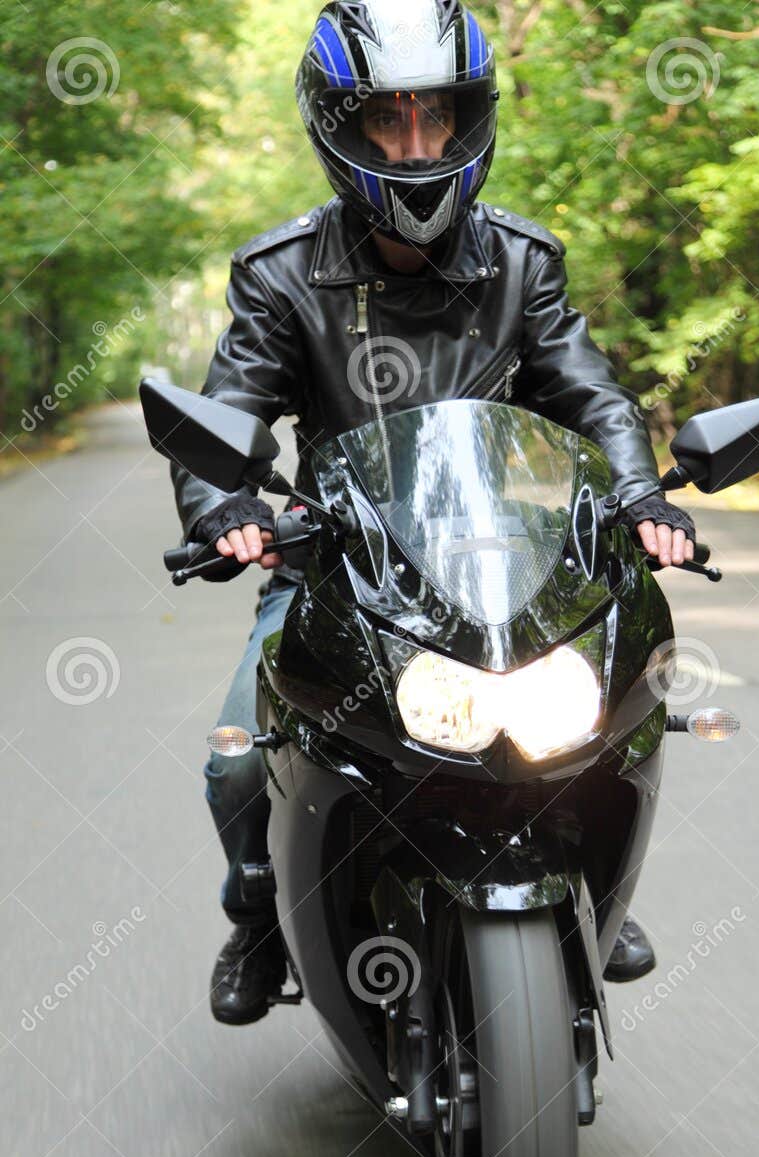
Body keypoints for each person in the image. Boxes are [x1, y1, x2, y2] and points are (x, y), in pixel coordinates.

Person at [171, 0, 698, 1025]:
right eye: (388, 120)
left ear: (472, 121)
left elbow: (590, 398)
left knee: (614, 714)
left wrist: (638, 494)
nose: (417, 145)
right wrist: (224, 504)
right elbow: (224, 416)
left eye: (437, 117)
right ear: (339, 125)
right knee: (237, 758)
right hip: (337, 569)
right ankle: (257, 912)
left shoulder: (521, 263)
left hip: (508, 562)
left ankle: (590, 890)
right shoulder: (281, 276)